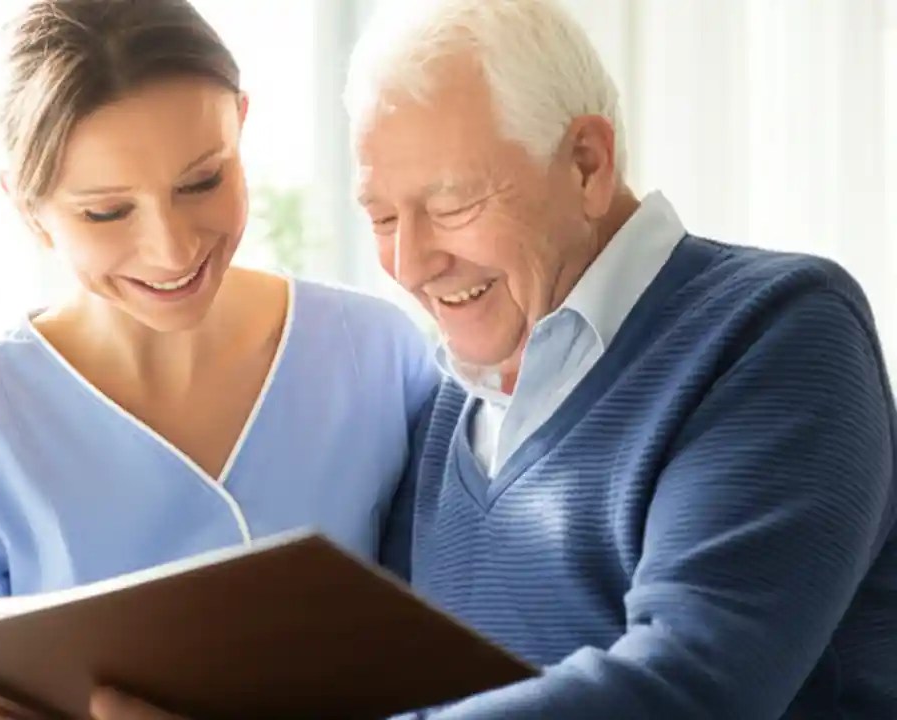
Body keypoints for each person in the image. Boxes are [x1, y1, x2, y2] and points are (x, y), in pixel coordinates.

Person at [45, 0, 897, 718]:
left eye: (450, 205)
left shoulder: (777, 333)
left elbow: (690, 685)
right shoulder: (447, 401)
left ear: (588, 163)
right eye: (381, 218)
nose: (411, 264)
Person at [0, 1, 439, 719]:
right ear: (27, 207)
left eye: (203, 181)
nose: (172, 249)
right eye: (106, 212)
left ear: (241, 124)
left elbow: (463, 649)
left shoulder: (378, 356)